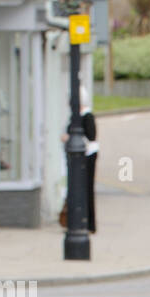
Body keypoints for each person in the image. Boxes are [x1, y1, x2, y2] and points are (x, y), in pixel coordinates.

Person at [60, 88, 98, 232]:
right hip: (77, 159)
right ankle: (77, 220)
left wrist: (70, 139)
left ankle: (88, 223)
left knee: (86, 189)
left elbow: (91, 137)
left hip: (87, 157)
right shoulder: (76, 116)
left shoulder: (87, 116)